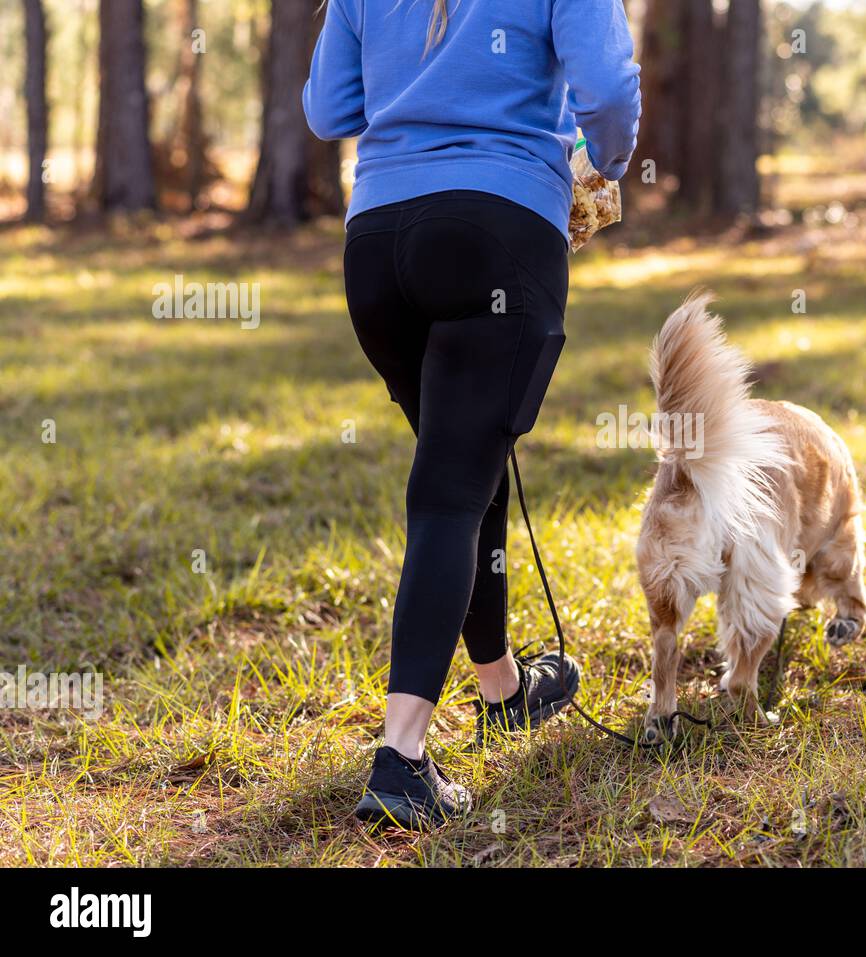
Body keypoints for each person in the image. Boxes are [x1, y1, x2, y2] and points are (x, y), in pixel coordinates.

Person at [303, 0, 640, 830]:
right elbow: (609, 94)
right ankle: (401, 758)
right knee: (452, 491)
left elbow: (326, 111)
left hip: (379, 249)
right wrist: (605, 161)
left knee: (462, 466)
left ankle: (504, 688)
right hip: (497, 227)